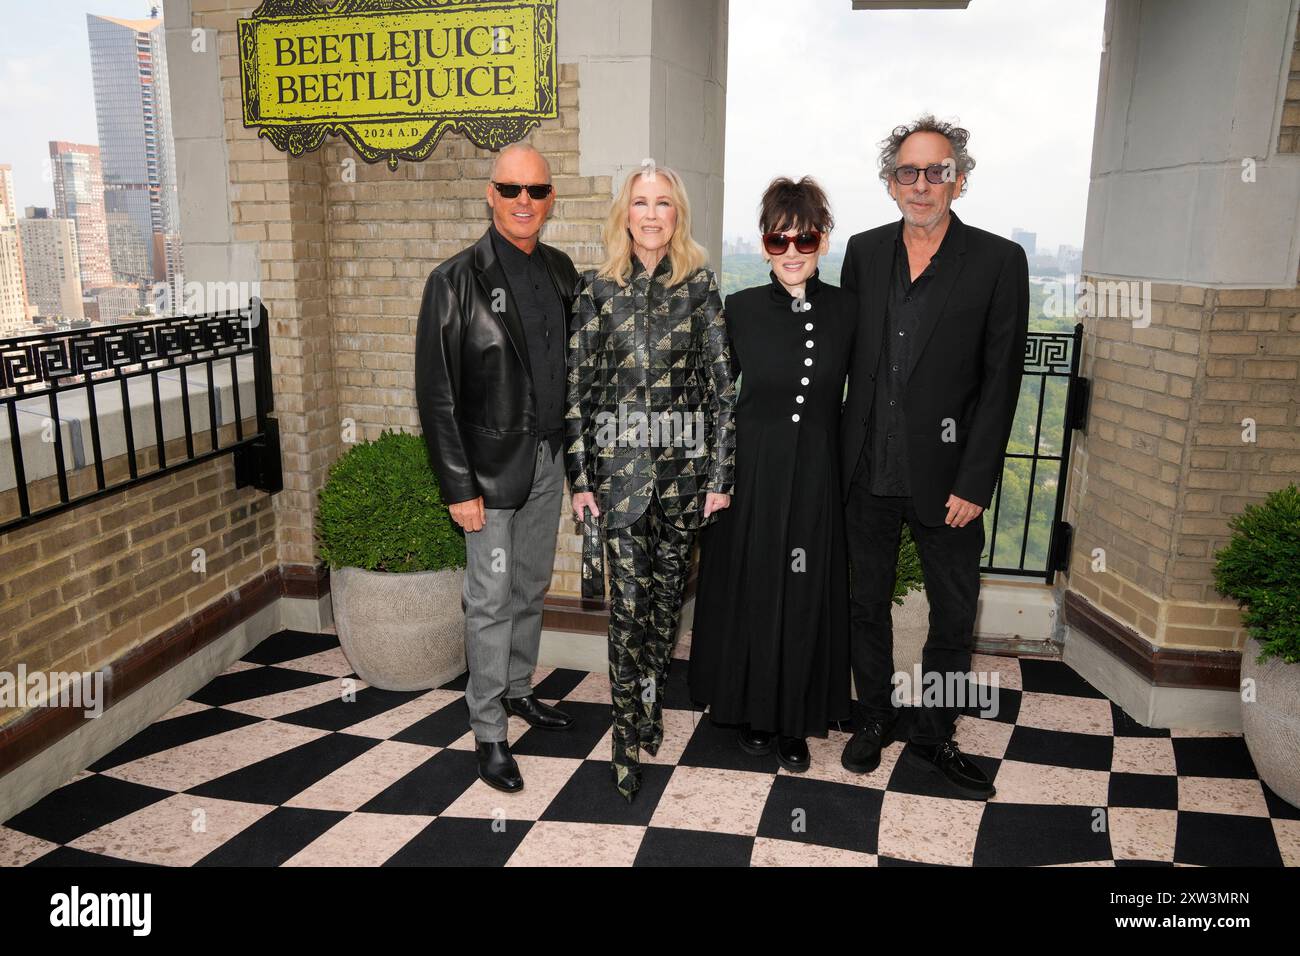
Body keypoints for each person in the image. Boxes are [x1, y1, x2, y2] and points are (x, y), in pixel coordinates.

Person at [839, 115, 1028, 798]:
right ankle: (874, 719)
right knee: (865, 603)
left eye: (937, 170)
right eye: (908, 172)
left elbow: (1000, 381)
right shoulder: (862, 252)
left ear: (960, 178)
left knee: (953, 613)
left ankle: (933, 735)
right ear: (891, 184)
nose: (922, 184)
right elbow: (848, 356)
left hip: (950, 480)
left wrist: (975, 479)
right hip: (866, 469)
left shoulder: (999, 262)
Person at [565, 164, 738, 801]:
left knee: (665, 614)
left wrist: (720, 476)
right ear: (625, 214)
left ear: (676, 215)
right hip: (617, 483)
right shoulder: (595, 290)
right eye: (640, 202)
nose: (651, 213)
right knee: (627, 610)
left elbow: (723, 393)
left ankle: (649, 700)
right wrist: (580, 481)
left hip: (685, 481)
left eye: (663, 203)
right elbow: (576, 396)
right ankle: (621, 737)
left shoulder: (700, 288)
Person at [414, 142, 578, 795]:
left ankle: (517, 693)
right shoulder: (453, 281)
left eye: (536, 191)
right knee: (488, 598)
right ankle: (489, 733)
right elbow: (437, 395)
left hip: (546, 461)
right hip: (487, 475)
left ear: (549, 198)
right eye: (511, 189)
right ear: (491, 193)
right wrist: (459, 487)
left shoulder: (562, 272)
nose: (523, 202)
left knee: (530, 586)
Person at [689, 176, 853, 773]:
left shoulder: (846, 310)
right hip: (752, 475)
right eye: (778, 240)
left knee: (804, 594)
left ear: (822, 241)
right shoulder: (740, 310)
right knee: (753, 590)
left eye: (803, 240)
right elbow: (713, 400)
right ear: (762, 245)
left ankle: (794, 721)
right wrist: (715, 477)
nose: (791, 252)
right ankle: (751, 710)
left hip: (815, 476)